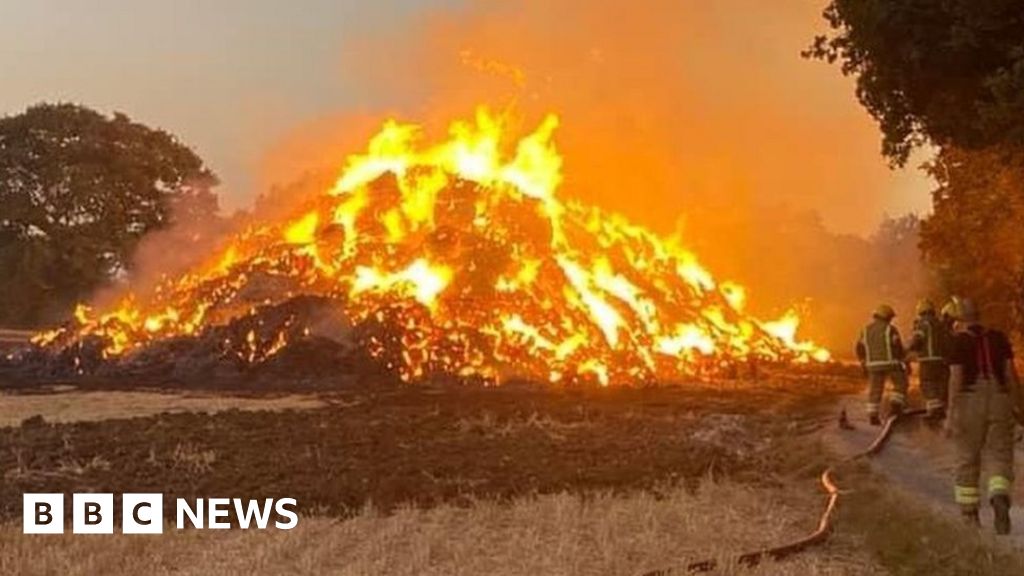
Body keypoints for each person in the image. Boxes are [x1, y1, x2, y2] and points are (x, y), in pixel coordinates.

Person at [946, 298, 1022, 533]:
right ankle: (999, 496)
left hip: (969, 401)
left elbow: (956, 379)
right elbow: (1011, 375)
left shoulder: (958, 342)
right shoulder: (998, 338)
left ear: (959, 319)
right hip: (1000, 398)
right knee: (1000, 455)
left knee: (967, 458)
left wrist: (951, 414)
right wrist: (1019, 407)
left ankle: (970, 516)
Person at [855, 304, 909, 426]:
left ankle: (873, 416)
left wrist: (863, 362)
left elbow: (859, 348)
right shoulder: (891, 329)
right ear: (887, 317)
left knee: (875, 389)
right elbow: (897, 347)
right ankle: (895, 407)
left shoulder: (866, 330)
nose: (891, 320)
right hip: (891, 363)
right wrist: (902, 360)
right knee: (901, 383)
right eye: (890, 317)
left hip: (873, 365)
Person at [908, 299, 951, 421]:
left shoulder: (922, 324)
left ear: (920, 311)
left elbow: (917, 341)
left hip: (927, 361)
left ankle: (934, 411)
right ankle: (941, 409)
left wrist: (909, 348)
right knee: (941, 384)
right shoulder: (941, 324)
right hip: (942, 361)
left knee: (928, 384)